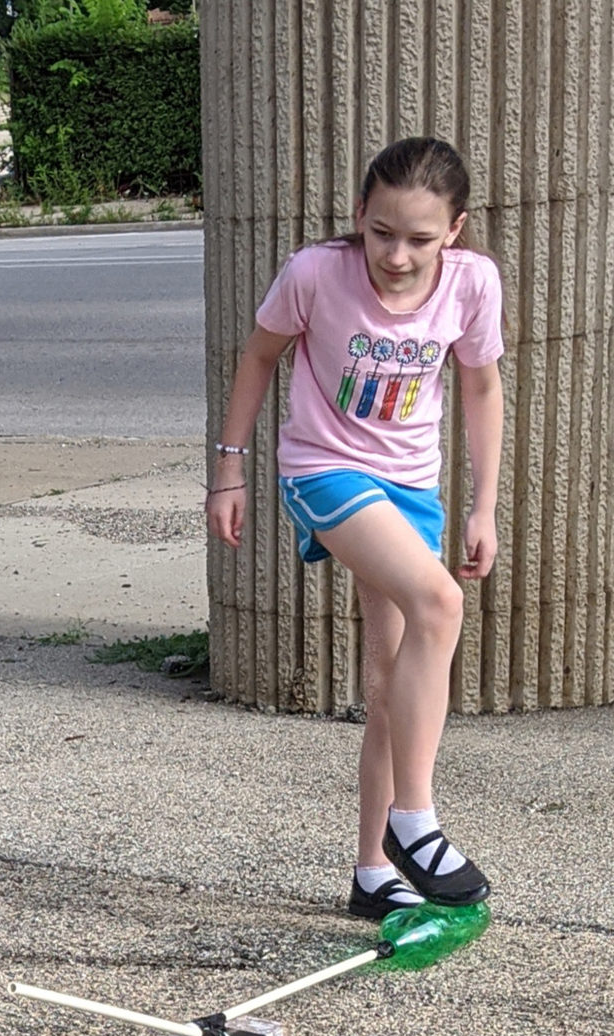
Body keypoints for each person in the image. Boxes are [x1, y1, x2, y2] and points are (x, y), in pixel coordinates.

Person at [206, 136, 504, 919]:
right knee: (441, 603)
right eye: (381, 233)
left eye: (420, 239)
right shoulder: (316, 274)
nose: (397, 256)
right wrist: (229, 471)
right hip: (325, 469)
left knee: (390, 684)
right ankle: (416, 821)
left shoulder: (472, 283)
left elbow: (480, 388)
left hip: (412, 486)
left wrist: (483, 505)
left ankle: (373, 871)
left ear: (455, 230)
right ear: (359, 214)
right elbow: (257, 358)